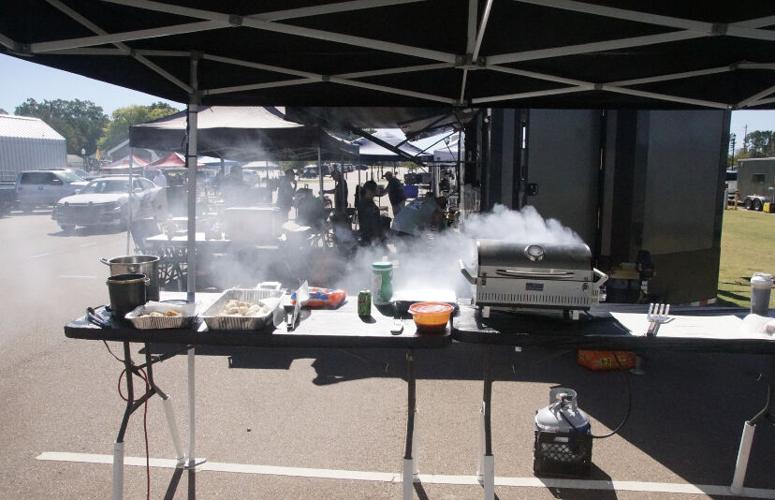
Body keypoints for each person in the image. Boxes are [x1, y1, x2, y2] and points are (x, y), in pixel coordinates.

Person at [357, 180, 385, 244]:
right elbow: (373, 224)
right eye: (375, 190)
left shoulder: (365, 201)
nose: (375, 192)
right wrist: (378, 237)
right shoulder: (366, 204)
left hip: (367, 236)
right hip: (370, 239)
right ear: (369, 191)